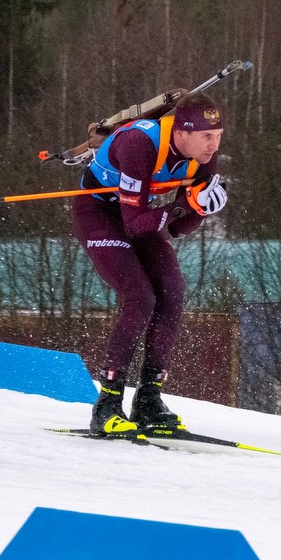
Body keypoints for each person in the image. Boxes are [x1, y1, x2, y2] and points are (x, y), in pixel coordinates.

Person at [71, 92, 228, 436]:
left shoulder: (203, 157)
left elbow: (175, 228)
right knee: (141, 296)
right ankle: (108, 404)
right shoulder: (139, 144)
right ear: (181, 132)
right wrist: (187, 206)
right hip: (99, 212)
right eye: (206, 136)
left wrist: (199, 208)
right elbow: (134, 225)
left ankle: (148, 399)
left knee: (171, 291)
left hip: (140, 213)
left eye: (218, 137)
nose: (213, 146)